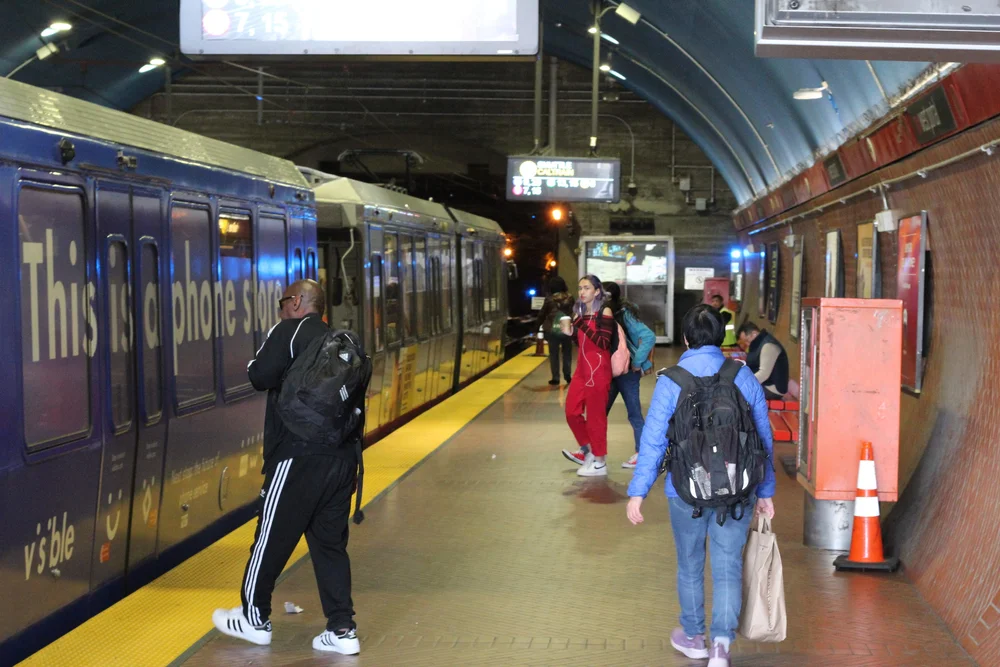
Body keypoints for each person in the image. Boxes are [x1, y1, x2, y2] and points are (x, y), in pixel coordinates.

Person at [212, 279, 362, 656]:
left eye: (283, 302)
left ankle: (253, 617)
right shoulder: (340, 342)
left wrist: (256, 360)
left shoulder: (290, 330)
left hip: (297, 456)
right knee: (329, 546)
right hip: (342, 461)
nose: (280, 309)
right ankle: (342, 630)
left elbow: (259, 375)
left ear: (296, 302)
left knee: (270, 538)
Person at [626, 305, 776, 667]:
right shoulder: (742, 376)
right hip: (738, 490)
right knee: (727, 566)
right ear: (720, 336)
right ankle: (721, 645)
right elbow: (763, 439)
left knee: (690, 564)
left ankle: (694, 637)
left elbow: (653, 441)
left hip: (684, 489)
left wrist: (638, 491)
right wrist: (766, 492)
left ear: (686, 338)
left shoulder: (670, 380)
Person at [560, 275, 616, 476]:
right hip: (582, 370)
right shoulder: (581, 311)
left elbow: (603, 343)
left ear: (597, 291)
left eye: (587, 288)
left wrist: (580, 324)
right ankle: (590, 450)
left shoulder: (604, 311)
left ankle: (600, 462)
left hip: (599, 370)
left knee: (595, 417)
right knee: (571, 411)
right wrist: (571, 333)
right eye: (580, 288)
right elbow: (582, 343)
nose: (582, 292)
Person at [603, 281, 656, 469]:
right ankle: (592, 451)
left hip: (626, 373)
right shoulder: (601, 314)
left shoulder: (623, 314)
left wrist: (636, 362)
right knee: (600, 412)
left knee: (634, 413)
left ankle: (642, 453)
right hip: (610, 371)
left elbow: (649, 336)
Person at [535, 275, 575, 385]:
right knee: (567, 353)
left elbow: (542, 314)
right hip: (566, 328)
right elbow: (573, 312)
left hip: (552, 330)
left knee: (554, 354)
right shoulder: (570, 298)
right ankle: (567, 376)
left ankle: (556, 378)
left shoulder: (549, 299)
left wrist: (537, 327)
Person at [737, 321, 789, 400]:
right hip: (765, 384)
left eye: (747, 340)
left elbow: (763, 374)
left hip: (772, 389)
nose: (747, 344)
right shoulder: (759, 344)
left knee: (736, 395)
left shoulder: (768, 346)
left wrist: (744, 384)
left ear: (754, 334)